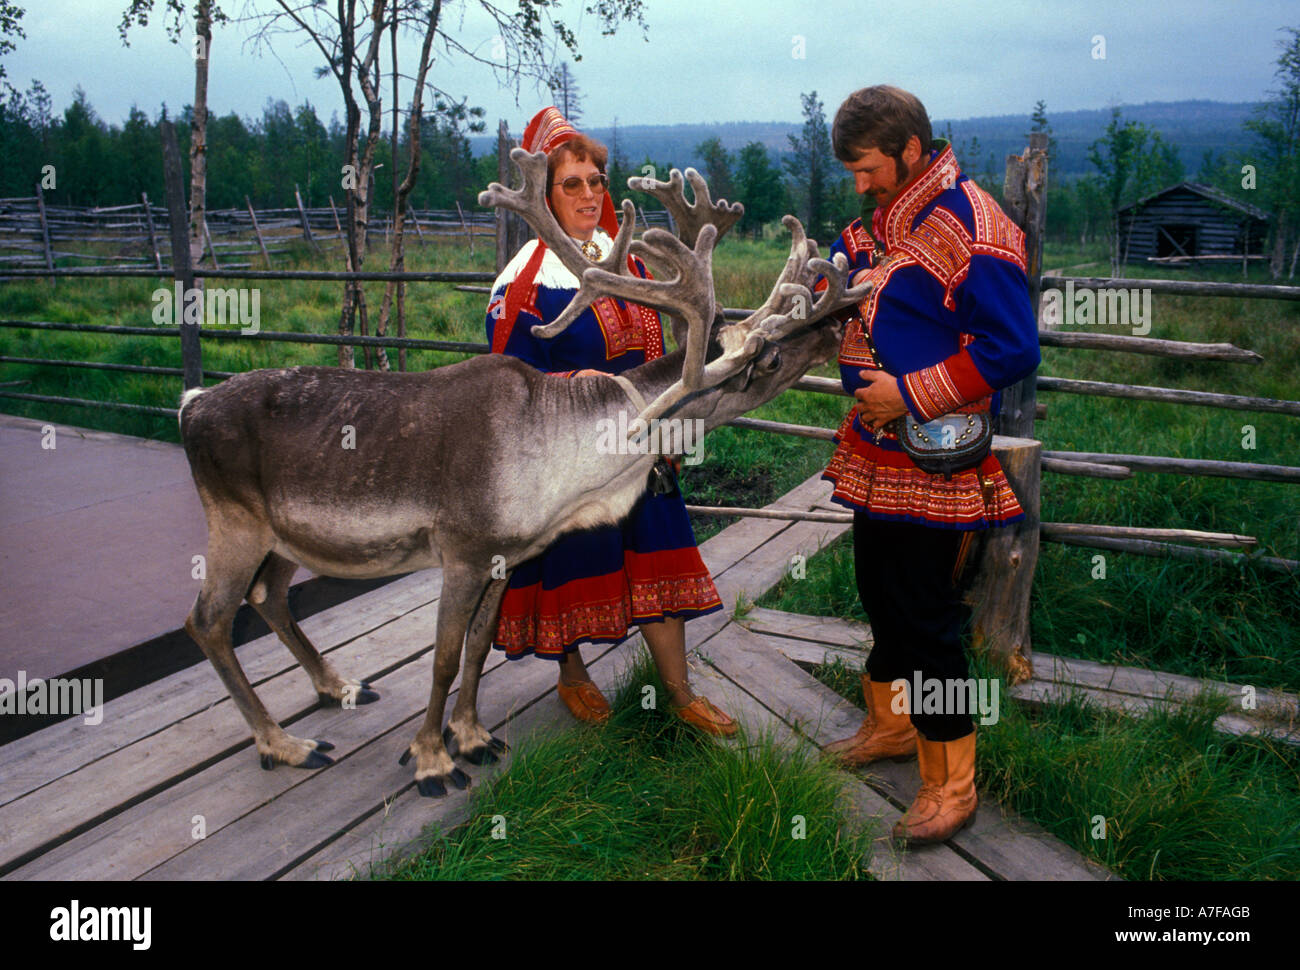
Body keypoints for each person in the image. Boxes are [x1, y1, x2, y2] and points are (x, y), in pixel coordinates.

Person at [818, 86, 1040, 844]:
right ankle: (892, 728)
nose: (859, 182)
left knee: (929, 623)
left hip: (936, 457)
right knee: (879, 595)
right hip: (878, 450)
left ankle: (953, 782)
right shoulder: (881, 223)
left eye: (868, 166)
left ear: (911, 150)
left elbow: (1014, 348)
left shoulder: (975, 227)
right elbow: (849, 286)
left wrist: (910, 392)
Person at [483, 106, 736, 736]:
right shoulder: (523, 286)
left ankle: (678, 693)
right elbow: (507, 392)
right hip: (572, 468)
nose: (590, 194)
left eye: (596, 180)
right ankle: (572, 675)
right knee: (570, 573)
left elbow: (663, 359)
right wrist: (581, 391)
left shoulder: (631, 264)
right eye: (572, 183)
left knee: (660, 562)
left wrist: (673, 425)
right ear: (543, 193)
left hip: (646, 454)